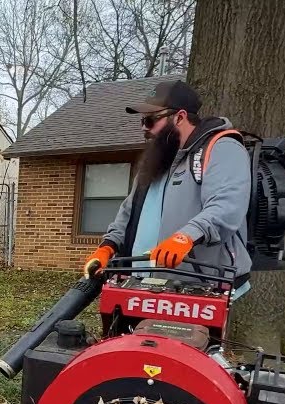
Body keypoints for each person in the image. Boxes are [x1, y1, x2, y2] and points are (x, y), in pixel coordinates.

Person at [82, 80, 252, 295]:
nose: (144, 127)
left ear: (179, 117)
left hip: (200, 288)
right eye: (143, 120)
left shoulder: (223, 147)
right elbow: (129, 211)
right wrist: (108, 246)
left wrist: (186, 236)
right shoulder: (158, 159)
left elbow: (226, 206)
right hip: (140, 285)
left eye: (151, 120)